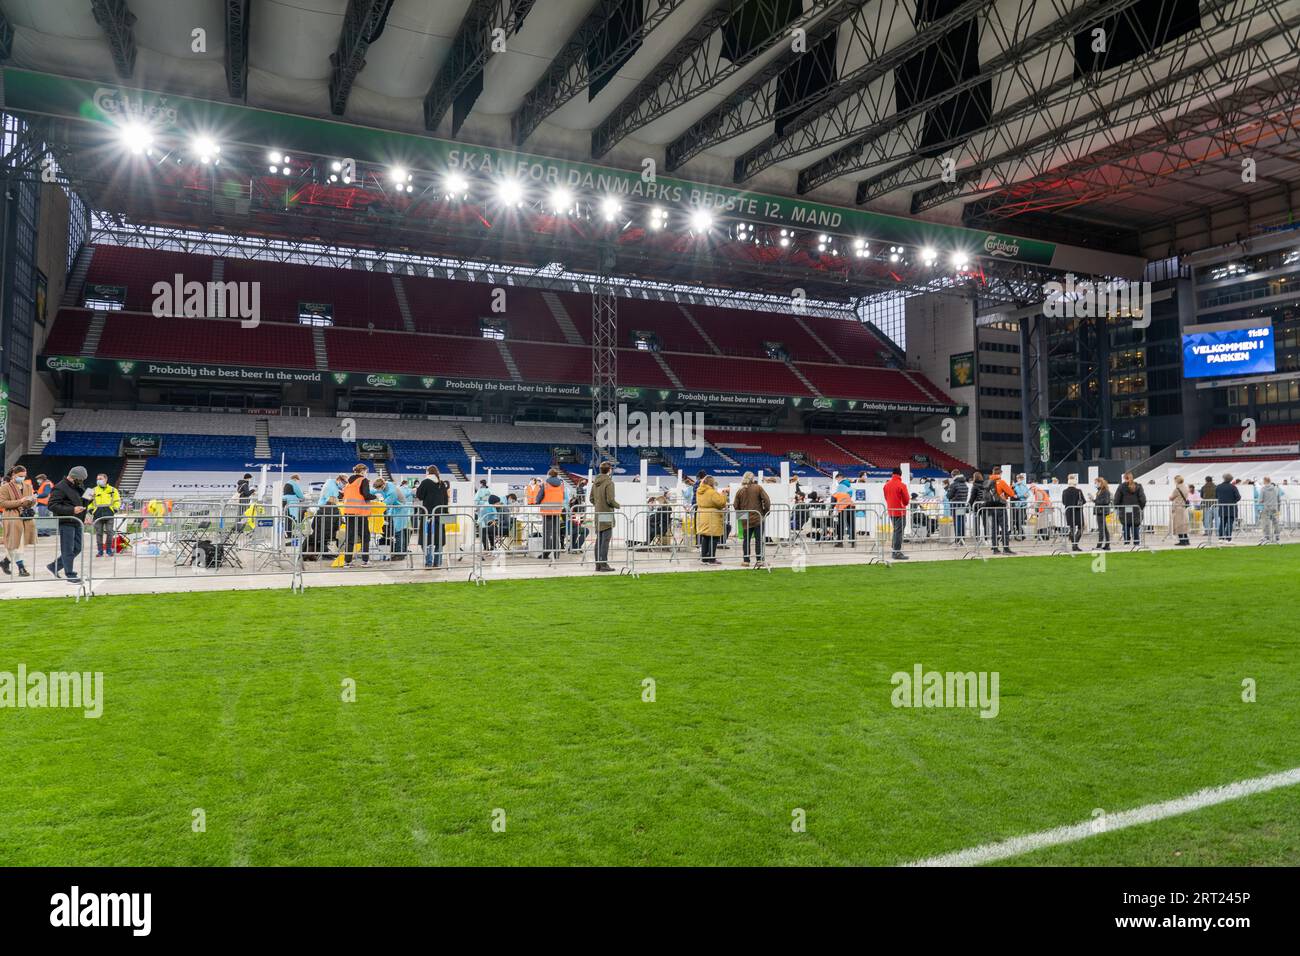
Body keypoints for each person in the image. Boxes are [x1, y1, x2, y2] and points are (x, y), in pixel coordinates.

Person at [46, 466, 89, 581]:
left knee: (78, 548)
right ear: (74, 477)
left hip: (77, 521)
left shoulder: (77, 486)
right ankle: (70, 574)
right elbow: (52, 506)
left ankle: (53, 566)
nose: (82, 482)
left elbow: (82, 501)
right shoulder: (59, 488)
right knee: (67, 549)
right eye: (81, 480)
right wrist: (72, 510)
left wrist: (89, 498)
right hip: (66, 522)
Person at [0, 465, 38, 576]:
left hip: (25, 518)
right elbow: (2, 503)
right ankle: (21, 568)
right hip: (12, 517)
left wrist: (33, 500)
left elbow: (31, 502)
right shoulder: (5, 487)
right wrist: (20, 501)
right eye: (20, 476)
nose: (22, 478)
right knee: (16, 543)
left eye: (24, 476)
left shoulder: (28, 486)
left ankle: (5, 561)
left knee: (19, 543)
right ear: (14, 475)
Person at [340, 463, 376, 565]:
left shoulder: (348, 483)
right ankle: (365, 560)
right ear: (363, 471)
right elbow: (366, 495)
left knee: (350, 536)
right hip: (360, 512)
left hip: (348, 512)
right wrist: (375, 497)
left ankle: (347, 561)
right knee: (365, 536)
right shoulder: (363, 480)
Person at [415, 465, 450, 568]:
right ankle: (437, 562)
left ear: (427, 472)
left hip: (428, 514)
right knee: (439, 540)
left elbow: (419, 496)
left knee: (426, 539)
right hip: (440, 514)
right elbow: (445, 500)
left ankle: (429, 561)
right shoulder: (441, 483)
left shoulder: (426, 482)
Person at [733, 471, 771, 567]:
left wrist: (741, 516)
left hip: (745, 519)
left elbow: (735, 505)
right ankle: (759, 560)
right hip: (758, 517)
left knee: (746, 540)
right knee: (759, 540)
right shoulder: (758, 488)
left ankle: (746, 560)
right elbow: (766, 500)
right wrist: (766, 512)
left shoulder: (740, 490)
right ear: (752, 478)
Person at [590, 461, 620, 572]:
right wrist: (618, 506)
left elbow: (591, 499)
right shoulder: (609, 483)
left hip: (598, 513)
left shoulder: (595, 482)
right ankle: (603, 564)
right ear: (609, 470)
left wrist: (598, 505)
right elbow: (610, 500)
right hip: (606, 513)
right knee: (605, 540)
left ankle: (598, 564)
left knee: (599, 539)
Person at [694, 475, 726, 564]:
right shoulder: (711, 492)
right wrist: (723, 495)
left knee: (705, 537)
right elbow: (721, 503)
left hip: (702, 515)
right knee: (714, 537)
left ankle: (704, 558)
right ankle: (712, 558)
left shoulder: (699, 491)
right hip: (712, 517)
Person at [538, 468, 568, 559]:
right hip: (557, 510)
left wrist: (538, 501)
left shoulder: (545, 484)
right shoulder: (561, 485)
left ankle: (546, 553)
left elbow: (539, 497)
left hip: (547, 511)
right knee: (556, 532)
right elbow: (563, 497)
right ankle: (556, 553)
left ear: (549, 475)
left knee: (547, 533)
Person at [90, 473, 122, 558]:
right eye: (97, 479)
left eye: (100, 479)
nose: (98, 480)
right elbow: (86, 501)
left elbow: (118, 500)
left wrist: (115, 509)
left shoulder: (113, 489)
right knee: (98, 533)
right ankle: (100, 551)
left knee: (109, 532)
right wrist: (90, 510)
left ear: (106, 479)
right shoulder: (91, 490)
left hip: (109, 514)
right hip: (97, 514)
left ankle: (108, 550)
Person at [985, 467, 1016, 554]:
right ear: (1000, 474)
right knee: (1004, 527)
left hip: (991, 507)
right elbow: (1011, 493)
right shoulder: (1001, 482)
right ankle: (1006, 548)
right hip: (1000, 507)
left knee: (994, 528)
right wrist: (1009, 490)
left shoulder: (988, 482)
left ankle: (995, 548)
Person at [883, 468, 910, 560]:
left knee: (895, 530)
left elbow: (886, 497)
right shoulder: (902, 485)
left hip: (891, 510)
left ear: (892, 474)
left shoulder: (886, 485)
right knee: (899, 531)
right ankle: (896, 552)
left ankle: (894, 549)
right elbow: (906, 501)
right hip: (900, 511)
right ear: (900, 474)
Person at [1112, 471, 1146, 546]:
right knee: (1136, 526)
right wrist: (1140, 507)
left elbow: (1116, 499)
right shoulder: (1138, 486)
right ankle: (1136, 543)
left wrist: (1117, 507)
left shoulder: (1121, 486)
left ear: (1124, 478)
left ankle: (1126, 542)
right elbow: (1143, 499)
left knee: (1126, 526)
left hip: (1124, 510)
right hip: (1136, 510)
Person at [1061, 474, 1086, 551]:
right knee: (1081, 527)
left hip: (1069, 512)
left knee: (1071, 528)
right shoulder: (1078, 491)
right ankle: (1075, 544)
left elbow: (1064, 502)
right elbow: (1084, 501)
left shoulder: (1064, 491)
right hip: (1078, 511)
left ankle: (1074, 544)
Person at [1215, 473, 1241, 541]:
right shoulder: (1233, 487)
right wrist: (1233, 501)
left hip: (1222, 507)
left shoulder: (1218, 487)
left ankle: (1220, 537)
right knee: (1230, 523)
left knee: (1222, 523)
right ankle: (1228, 537)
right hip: (1231, 508)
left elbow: (1216, 496)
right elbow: (1238, 497)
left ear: (1223, 478)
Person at [831, 477, 854, 547]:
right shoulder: (846, 493)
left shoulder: (835, 494)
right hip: (851, 507)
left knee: (840, 526)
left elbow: (832, 504)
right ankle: (853, 542)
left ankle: (840, 542)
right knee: (851, 525)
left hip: (843, 509)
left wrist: (831, 511)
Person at [946, 470, 968, 543]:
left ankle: (958, 539)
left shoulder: (954, 484)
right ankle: (962, 539)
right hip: (962, 505)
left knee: (957, 522)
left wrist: (947, 489)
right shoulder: (965, 484)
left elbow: (949, 496)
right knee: (961, 522)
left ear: (953, 475)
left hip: (955, 505)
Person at [1169, 475, 1191, 546]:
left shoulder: (1177, 489)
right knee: (1184, 525)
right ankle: (1186, 540)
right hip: (1184, 508)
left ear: (1176, 480)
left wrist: (1170, 497)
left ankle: (1182, 541)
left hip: (1178, 508)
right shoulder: (1186, 488)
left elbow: (1171, 498)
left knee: (1179, 525)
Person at [1258, 476, 1281, 544]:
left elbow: (1260, 500)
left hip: (1266, 508)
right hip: (1275, 508)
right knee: (1276, 522)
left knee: (1266, 523)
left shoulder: (1263, 489)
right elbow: (1279, 499)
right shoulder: (1276, 488)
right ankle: (1277, 536)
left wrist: (1263, 501)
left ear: (1265, 481)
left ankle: (1267, 537)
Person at [1092, 477, 1112, 550]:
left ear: (1100, 483)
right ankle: (1107, 545)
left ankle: (1099, 545)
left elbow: (1106, 501)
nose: (1095, 484)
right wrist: (1094, 500)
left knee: (1101, 529)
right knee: (1104, 528)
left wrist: (1096, 501)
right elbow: (1101, 501)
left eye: (1096, 483)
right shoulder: (1100, 491)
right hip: (1100, 511)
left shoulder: (1105, 491)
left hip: (1102, 511)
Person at [1012, 473, 1031, 539]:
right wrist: (1022, 495)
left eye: (1020, 478)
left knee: (1020, 520)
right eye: (1018, 478)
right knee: (1019, 520)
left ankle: (1021, 534)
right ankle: (1021, 533)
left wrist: (1019, 496)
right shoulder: (1016, 486)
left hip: (1021, 505)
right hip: (1019, 505)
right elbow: (1025, 494)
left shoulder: (1021, 485)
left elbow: (1027, 494)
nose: (1019, 479)